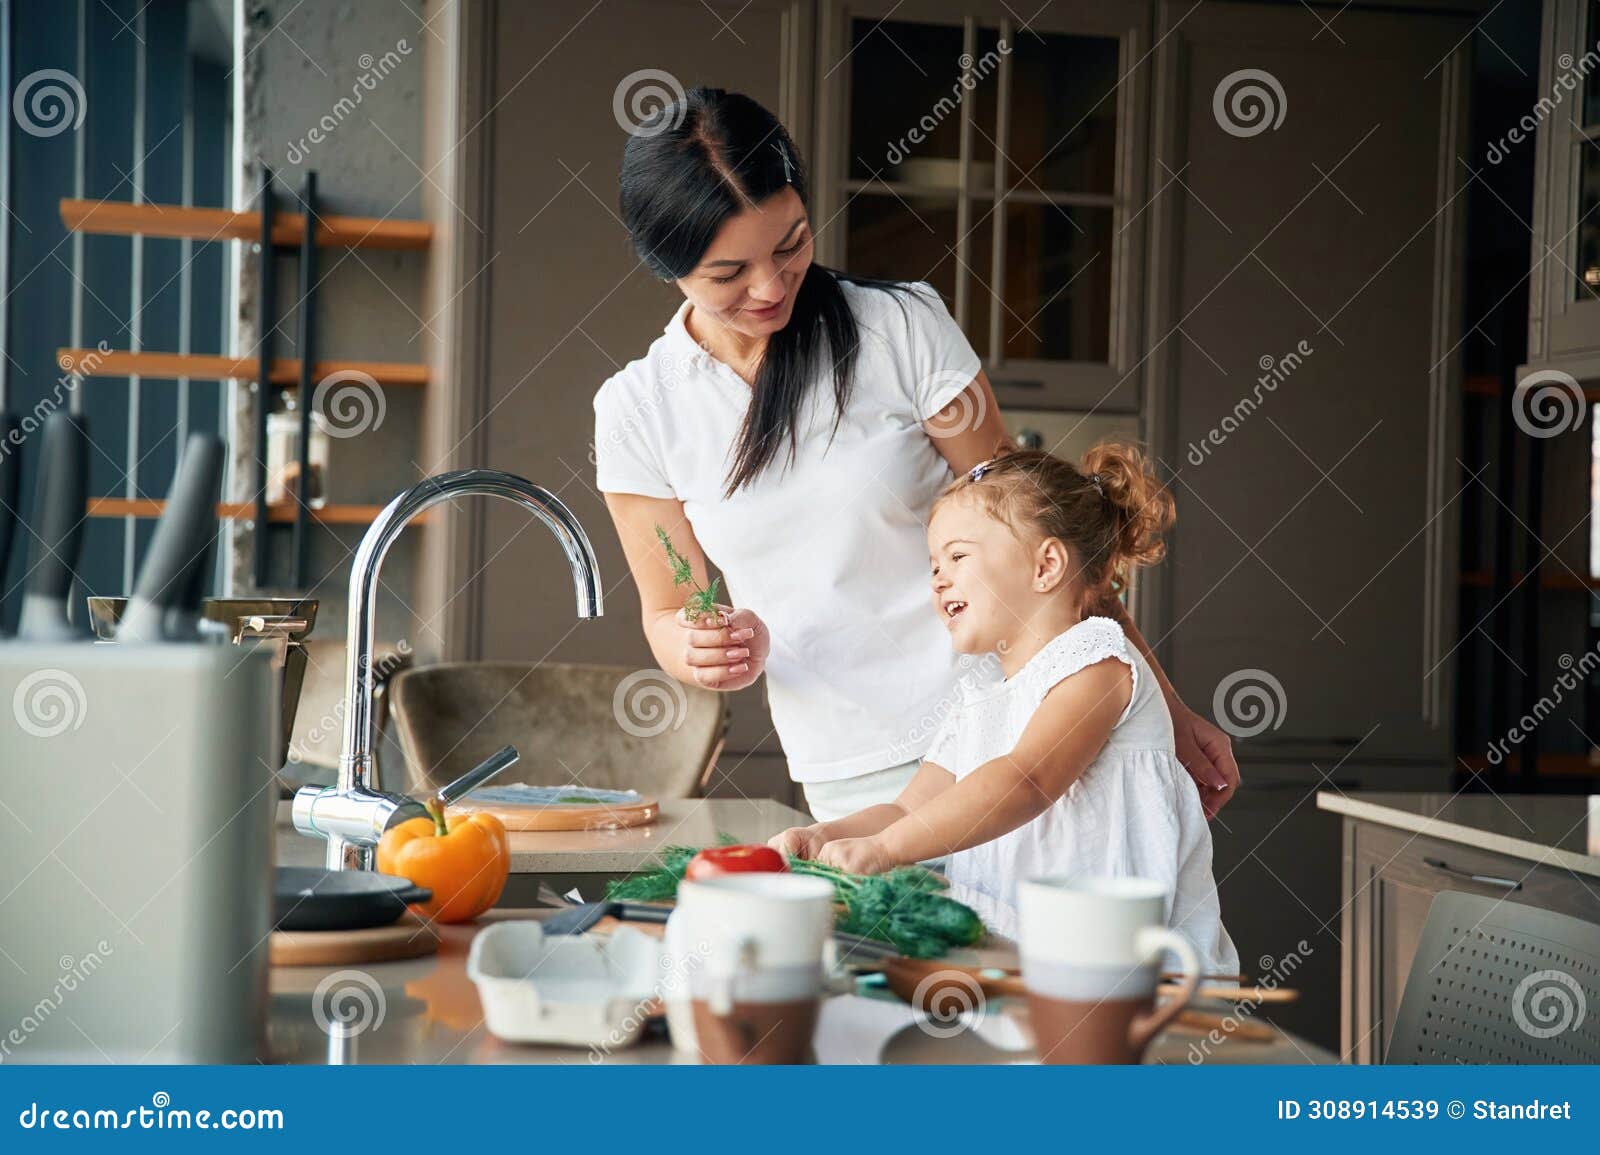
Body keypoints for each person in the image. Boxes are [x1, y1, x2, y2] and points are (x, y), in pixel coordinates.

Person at [593, 85, 1239, 825]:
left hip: (1017, 716)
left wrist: (1169, 700)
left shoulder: (900, 329)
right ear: (661, 261)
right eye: (728, 274)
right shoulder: (638, 411)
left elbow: (1047, 537)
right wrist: (696, 648)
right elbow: (670, 610)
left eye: (791, 243)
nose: (771, 287)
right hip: (848, 759)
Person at [770, 444, 1238, 970]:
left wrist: (886, 852)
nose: (938, 578)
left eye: (958, 556)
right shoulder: (978, 701)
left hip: (1138, 975)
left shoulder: (1098, 664)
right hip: (1031, 960)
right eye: (933, 565)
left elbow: (1028, 780)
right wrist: (826, 835)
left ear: (1046, 565)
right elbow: (906, 809)